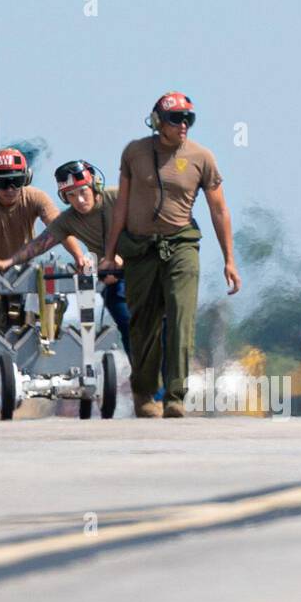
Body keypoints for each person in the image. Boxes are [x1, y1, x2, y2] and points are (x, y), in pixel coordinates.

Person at [103, 92, 240, 419]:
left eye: (188, 119)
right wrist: (109, 253)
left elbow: (219, 209)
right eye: (176, 119)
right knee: (143, 323)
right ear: (157, 121)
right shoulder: (134, 153)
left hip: (181, 245)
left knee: (180, 317)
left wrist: (229, 260)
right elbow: (121, 204)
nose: (183, 126)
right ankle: (144, 392)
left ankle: (175, 396)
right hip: (139, 249)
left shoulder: (201, 157)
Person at [0, 160, 130, 360]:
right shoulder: (68, 220)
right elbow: (38, 245)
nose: (79, 200)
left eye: (83, 192)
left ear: (94, 186)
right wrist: (8, 262)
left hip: (145, 271)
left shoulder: (120, 197)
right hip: (114, 279)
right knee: (129, 328)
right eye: (71, 195)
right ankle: (148, 387)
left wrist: (123, 258)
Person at [0, 148, 86, 329]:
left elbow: (60, 227)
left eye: (17, 181)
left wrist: (79, 257)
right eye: (2, 183)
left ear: (26, 179)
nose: (10, 189)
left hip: (22, 265)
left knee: (34, 321)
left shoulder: (36, 197)